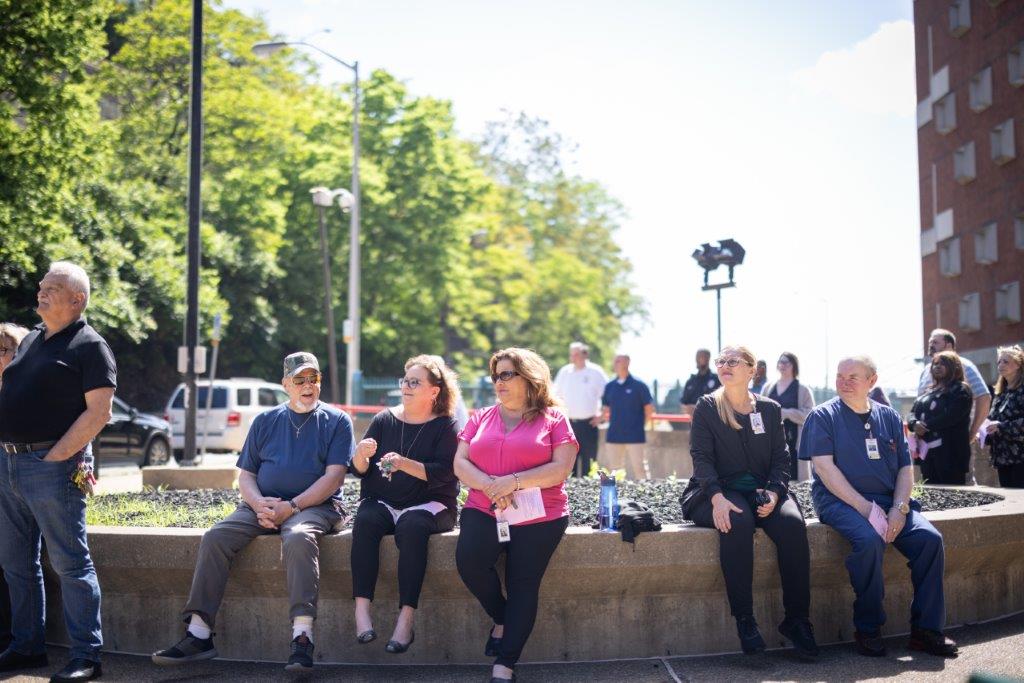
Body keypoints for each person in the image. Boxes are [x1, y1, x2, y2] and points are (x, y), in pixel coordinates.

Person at [151, 352, 352, 672]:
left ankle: (302, 637)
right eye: (299, 380)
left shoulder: (338, 421)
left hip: (316, 506)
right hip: (264, 503)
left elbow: (334, 477)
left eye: (313, 378)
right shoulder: (265, 420)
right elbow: (246, 476)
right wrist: (258, 504)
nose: (307, 385)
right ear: (286, 384)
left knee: (299, 537)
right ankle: (199, 633)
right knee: (216, 536)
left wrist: (292, 506)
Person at [0, 262, 115, 682]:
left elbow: (99, 412)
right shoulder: (30, 340)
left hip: (49, 467)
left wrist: (57, 457)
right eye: (41, 287)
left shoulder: (90, 346)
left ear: (76, 300)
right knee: (16, 563)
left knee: (71, 564)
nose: (40, 293)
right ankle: (26, 646)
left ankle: (87, 655)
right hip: (7, 464)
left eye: (51, 289)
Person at [799, 356, 957, 658]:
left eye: (853, 377)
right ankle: (868, 627)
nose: (844, 382)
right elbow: (824, 468)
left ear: (872, 381)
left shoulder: (890, 417)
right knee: (869, 540)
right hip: (840, 500)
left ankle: (926, 630)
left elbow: (904, 468)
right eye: (840, 376)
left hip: (888, 499)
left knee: (930, 541)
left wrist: (899, 508)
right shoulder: (823, 416)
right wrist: (865, 509)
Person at [680, 346, 818, 658]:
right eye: (721, 362)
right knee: (737, 521)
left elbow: (782, 460)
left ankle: (797, 620)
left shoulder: (769, 409)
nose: (724, 366)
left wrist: (773, 492)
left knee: (794, 525)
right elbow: (701, 460)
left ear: (751, 370)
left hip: (763, 490)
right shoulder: (707, 406)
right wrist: (716, 498)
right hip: (716, 490)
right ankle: (745, 620)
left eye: (732, 361)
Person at [454, 348, 577, 683]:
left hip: (541, 515)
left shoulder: (554, 419)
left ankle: (505, 664)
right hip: (484, 506)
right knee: (469, 562)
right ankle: (503, 617)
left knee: (523, 584)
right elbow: (460, 462)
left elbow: (561, 468)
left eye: (507, 374)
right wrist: (491, 486)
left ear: (529, 377)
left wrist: (515, 482)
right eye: (496, 376)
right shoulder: (480, 417)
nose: (499, 382)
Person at [349, 355, 460, 654]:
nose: (406, 387)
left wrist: (402, 463)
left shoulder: (446, 426)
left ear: (434, 391)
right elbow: (359, 469)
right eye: (405, 381)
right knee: (366, 520)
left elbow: (444, 473)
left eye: (415, 382)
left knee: (411, 527)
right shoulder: (384, 419)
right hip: (384, 500)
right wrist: (361, 454)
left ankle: (406, 619)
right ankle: (361, 611)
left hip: (430, 505)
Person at [0, 322, 31, 655]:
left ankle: (17, 640)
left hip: (24, 482)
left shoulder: (32, 387)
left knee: (18, 563)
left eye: (3, 350)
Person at [908, 351, 973, 485]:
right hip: (927, 454)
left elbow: (951, 416)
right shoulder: (928, 391)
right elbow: (911, 413)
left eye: (943, 363)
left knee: (952, 497)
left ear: (954, 367)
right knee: (933, 496)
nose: (937, 366)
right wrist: (914, 424)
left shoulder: (960, 389)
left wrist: (925, 427)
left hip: (950, 455)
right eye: (935, 364)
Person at [918, 329, 991, 443]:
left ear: (949, 345)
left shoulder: (964, 365)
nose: (931, 345)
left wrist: (972, 433)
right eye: (930, 342)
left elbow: (984, 397)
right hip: (928, 444)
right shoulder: (926, 370)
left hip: (956, 441)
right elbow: (918, 405)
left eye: (935, 342)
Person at [553, 342, 608, 477]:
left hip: (589, 424)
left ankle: (587, 495)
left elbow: (608, 396)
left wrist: (601, 416)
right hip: (567, 425)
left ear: (585, 354)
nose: (573, 358)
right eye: (571, 355)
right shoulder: (565, 372)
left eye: (576, 354)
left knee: (588, 463)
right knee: (567, 463)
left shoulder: (596, 372)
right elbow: (554, 396)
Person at [761, 352, 815, 482]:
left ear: (794, 366)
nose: (782, 365)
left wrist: (787, 413)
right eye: (780, 362)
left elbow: (811, 415)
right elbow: (759, 410)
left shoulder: (803, 389)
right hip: (772, 441)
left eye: (786, 362)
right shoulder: (768, 387)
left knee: (796, 484)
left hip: (794, 443)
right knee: (771, 479)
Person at [601, 354, 654, 480]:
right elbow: (605, 409)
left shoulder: (639, 385)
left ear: (627, 362)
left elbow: (649, 409)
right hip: (614, 435)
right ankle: (617, 497)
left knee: (640, 468)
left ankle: (647, 496)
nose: (616, 363)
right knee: (615, 471)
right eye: (615, 361)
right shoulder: (610, 386)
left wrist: (640, 425)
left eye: (619, 361)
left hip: (635, 435)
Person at [983, 345, 1024, 488]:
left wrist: (1001, 427)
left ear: (1018, 364)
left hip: (1020, 457)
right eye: (999, 362)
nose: (1001, 365)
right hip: (1002, 457)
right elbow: (992, 419)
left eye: (1006, 361)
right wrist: (985, 433)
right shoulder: (1000, 392)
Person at [680, 348, 721, 415]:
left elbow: (722, 403)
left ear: (708, 358)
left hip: (712, 422)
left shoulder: (717, 379)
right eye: (698, 356)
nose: (699, 359)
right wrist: (688, 409)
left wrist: (700, 409)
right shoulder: (690, 381)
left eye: (703, 356)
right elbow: (683, 404)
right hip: (694, 422)